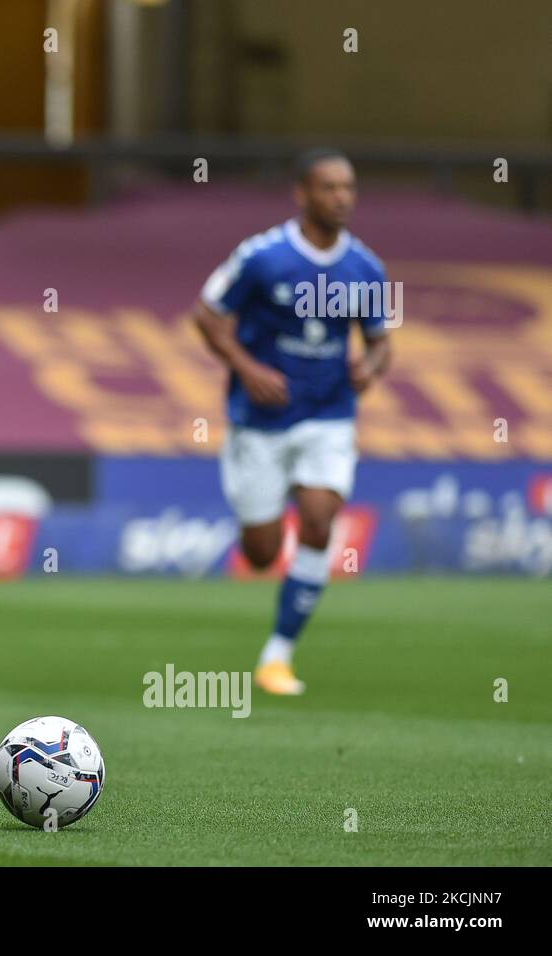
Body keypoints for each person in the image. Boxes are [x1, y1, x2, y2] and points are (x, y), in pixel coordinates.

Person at [192, 149, 392, 695]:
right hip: (259, 419)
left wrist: (368, 370)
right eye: (328, 188)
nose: (341, 197)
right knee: (259, 553)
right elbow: (207, 316)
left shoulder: (365, 269)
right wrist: (247, 367)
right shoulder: (262, 257)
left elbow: (381, 343)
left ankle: (278, 654)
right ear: (302, 194)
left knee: (320, 519)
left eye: (348, 187)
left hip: (328, 413)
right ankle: (256, 525)